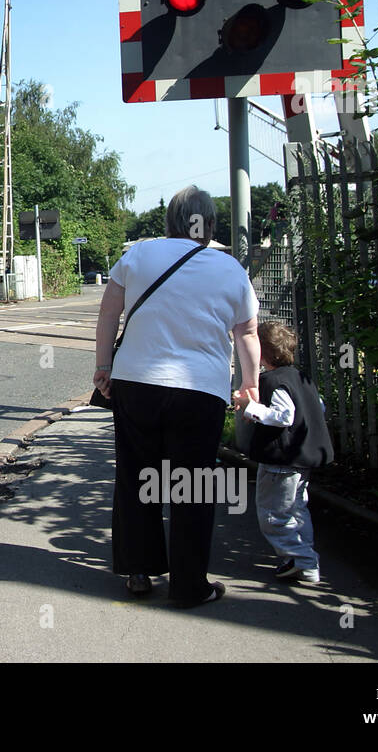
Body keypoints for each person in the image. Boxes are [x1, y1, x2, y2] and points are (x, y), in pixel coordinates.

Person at [94, 186, 260, 607]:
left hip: (137, 384)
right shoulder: (230, 269)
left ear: (169, 221)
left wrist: (103, 367)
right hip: (200, 391)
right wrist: (250, 382)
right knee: (192, 486)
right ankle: (189, 586)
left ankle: (138, 570)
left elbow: (109, 313)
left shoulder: (138, 255)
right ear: (211, 225)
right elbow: (247, 332)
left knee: (135, 476)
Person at [233, 321, 333, 584]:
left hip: (281, 461)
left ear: (260, 352)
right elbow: (317, 408)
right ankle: (301, 559)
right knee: (297, 509)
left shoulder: (272, 381)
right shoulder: (301, 378)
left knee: (272, 514)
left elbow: (283, 416)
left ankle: (303, 559)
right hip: (301, 460)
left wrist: (249, 407)